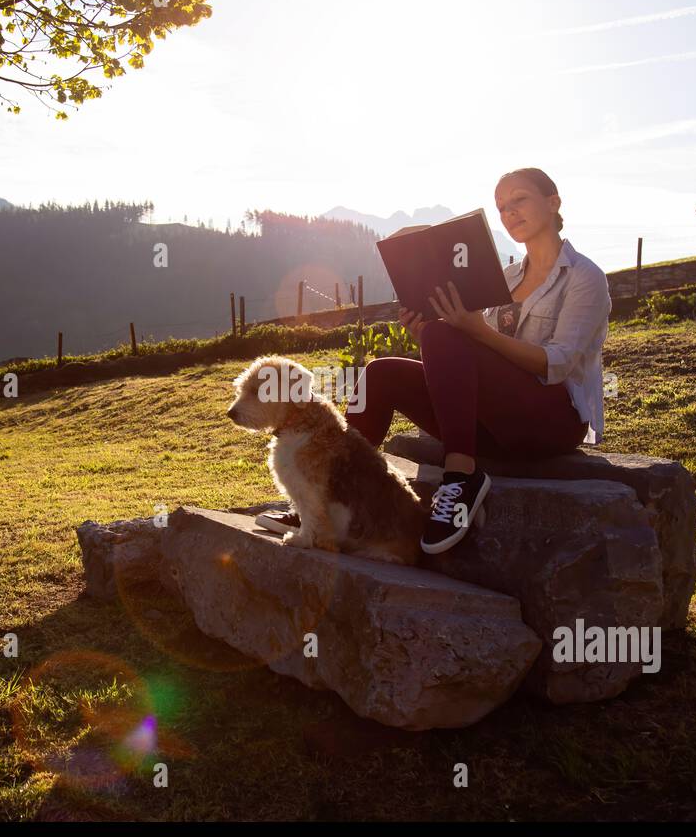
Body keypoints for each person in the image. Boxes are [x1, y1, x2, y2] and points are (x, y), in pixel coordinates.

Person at [258, 167, 612, 555]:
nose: (510, 212)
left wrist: (472, 331)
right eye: (502, 207)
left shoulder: (584, 277)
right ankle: (323, 496)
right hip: (494, 422)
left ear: (553, 202)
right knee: (381, 373)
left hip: (552, 421)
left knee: (449, 331)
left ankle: (461, 477)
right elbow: (475, 353)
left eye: (519, 200)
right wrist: (425, 332)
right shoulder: (506, 277)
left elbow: (556, 364)